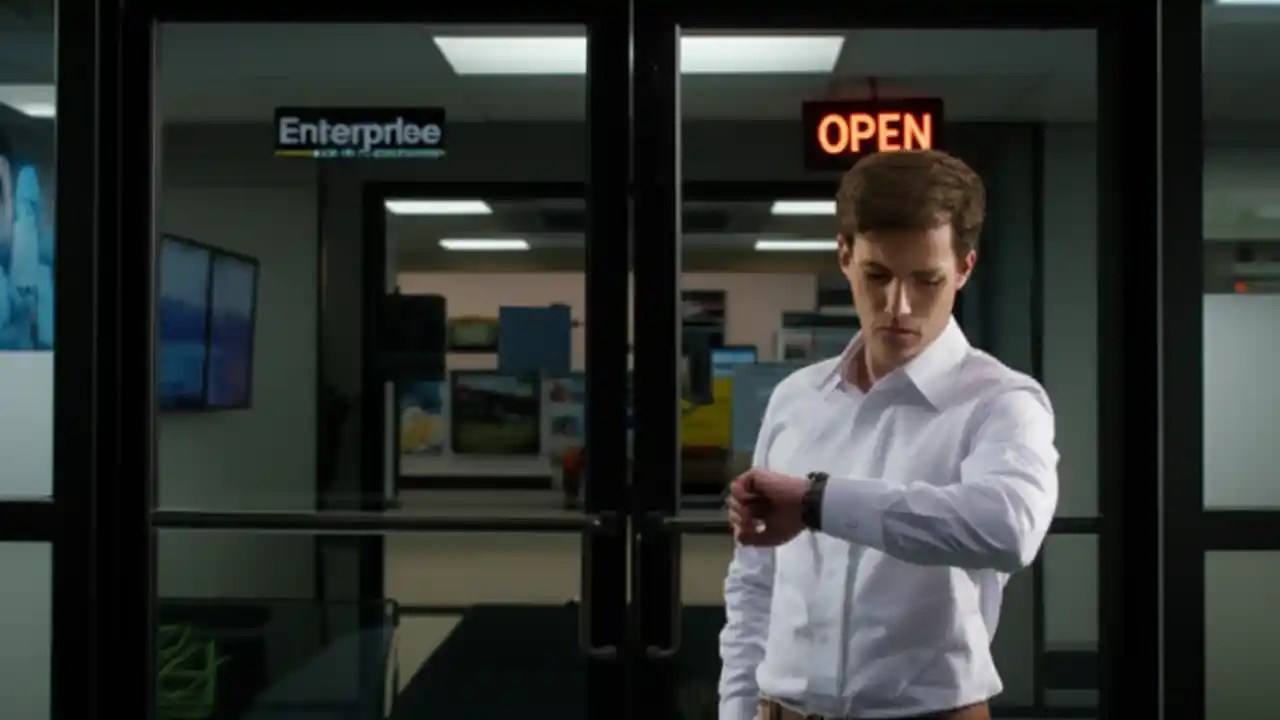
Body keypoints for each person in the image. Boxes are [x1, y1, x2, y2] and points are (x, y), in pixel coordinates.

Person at [720, 149, 1059, 720]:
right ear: (845, 256)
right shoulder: (796, 400)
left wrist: (818, 502)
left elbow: (1008, 528)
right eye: (877, 275)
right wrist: (735, 711)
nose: (898, 306)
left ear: (965, 269)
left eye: (927, 280)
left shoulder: (1002, 400)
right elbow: (756, 583)